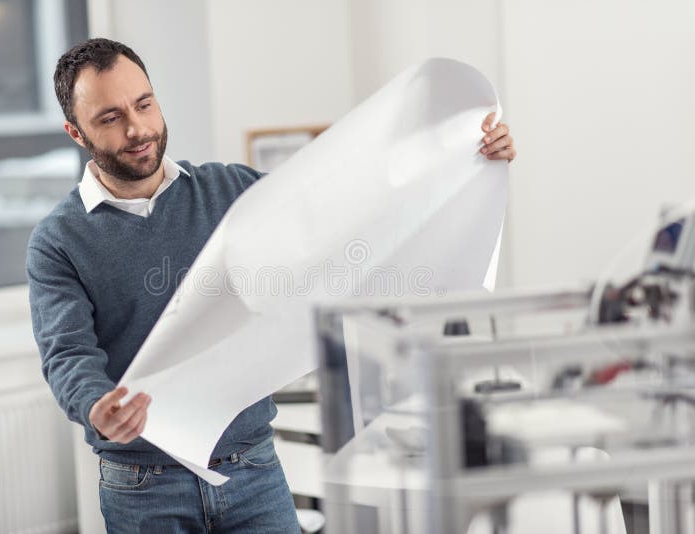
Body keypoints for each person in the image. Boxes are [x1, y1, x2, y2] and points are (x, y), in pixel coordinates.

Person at [27, 38, 516, 534]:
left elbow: (349, 204)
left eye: (144, 104)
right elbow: (67, 353)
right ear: (76, 132)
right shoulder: (59, 240)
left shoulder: (229, 191)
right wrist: (95, 406)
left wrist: (466, 154)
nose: (137, 129)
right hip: (144, 485)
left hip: (253, 471)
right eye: (110, 118)